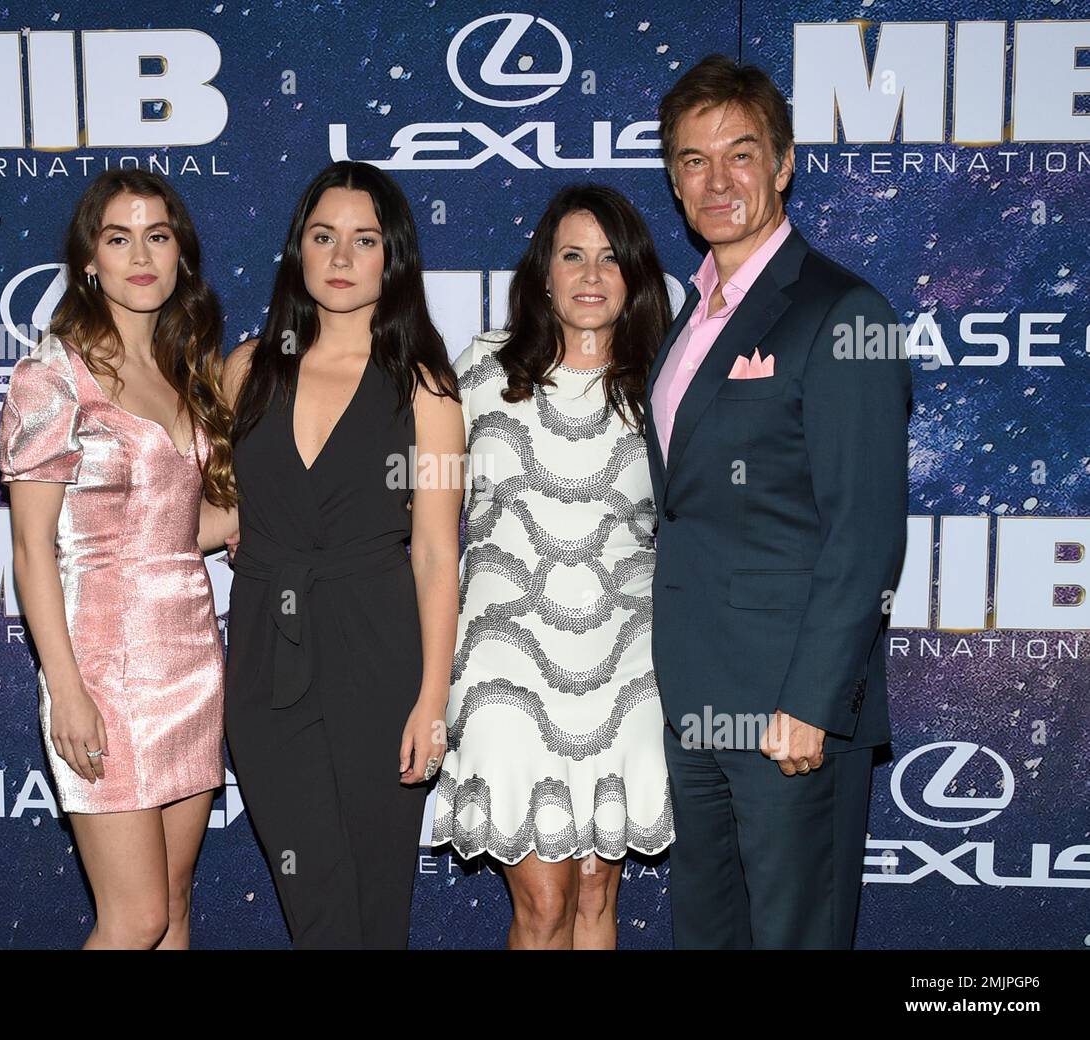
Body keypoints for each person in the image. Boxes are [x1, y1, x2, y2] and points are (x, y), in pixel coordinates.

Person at [647, 54, 911, 949]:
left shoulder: (845, 312)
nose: (717, 181)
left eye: (740, 153)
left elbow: (865, 531)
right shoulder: (687, 323)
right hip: (696, 699)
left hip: (790, 710)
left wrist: (812, 701)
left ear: (785, 162)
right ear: (673, 178)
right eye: (692, 160)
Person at [221, 160, 464, 949]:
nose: (340, 257)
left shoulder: (428, 389)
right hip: (266, 660)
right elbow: (216, 516)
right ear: (299, 249)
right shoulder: (246, 370)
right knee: (317, 904)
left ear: (392, 257)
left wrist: (433, 699)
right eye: (323, 237)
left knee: (373, 904)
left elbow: (435, 552)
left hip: (379, 657)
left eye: (364, 241)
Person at [430, 184, 675, 949]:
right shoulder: (478, 371)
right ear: (544, 272)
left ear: (634, 277)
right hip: (506, 672)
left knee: (598, 901)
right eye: (573, 255)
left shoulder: (662, 386)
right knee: (542, 909)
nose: (591, 274)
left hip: (629, 668)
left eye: (610, 258)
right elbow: (427, 530)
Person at [0, 169, 237, 949]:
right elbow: (32, 546)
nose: (141, 254)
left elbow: (174, 528)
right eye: (118, 236)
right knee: (133, 919)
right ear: (89, 259)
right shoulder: (53, 377)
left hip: (192, 664)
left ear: (180, 256)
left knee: (172, 906)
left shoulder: (188, 371)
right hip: (103, 669)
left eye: (158, 236)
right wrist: (66, 689)